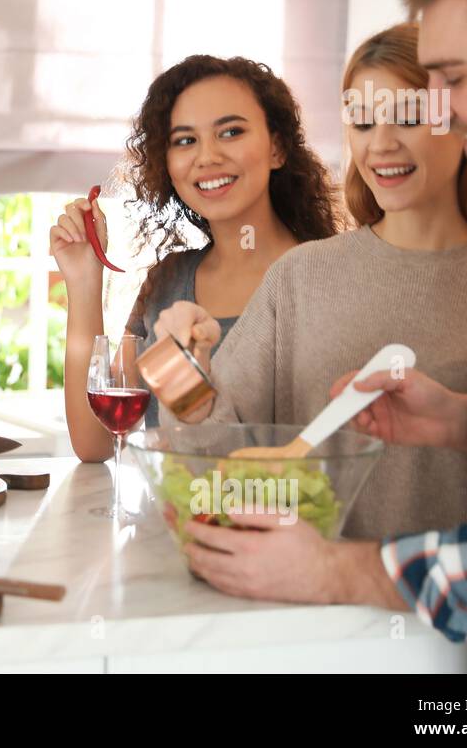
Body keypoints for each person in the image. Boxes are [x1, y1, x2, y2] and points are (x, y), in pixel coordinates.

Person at [179, 0, 467, 673]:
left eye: (449, 86)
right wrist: (465, 424)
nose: (434, 115)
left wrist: (340, 569)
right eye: (365, 120)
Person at [154, 23, 467, 537]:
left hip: (449, 607)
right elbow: (209, 456)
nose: (381, 145)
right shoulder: (301, 276)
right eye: (363, 124)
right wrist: (180, 370)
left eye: (408, 117)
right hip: (306, 601)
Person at [52, 56, 339, 462]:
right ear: (166, 164)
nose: (207, 157)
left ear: (277, 148)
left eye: (231, 132)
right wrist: (84, 282)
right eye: (185, 140)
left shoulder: (328, 279)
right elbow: (96, 443)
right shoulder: (169, 278)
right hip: (171, 523)